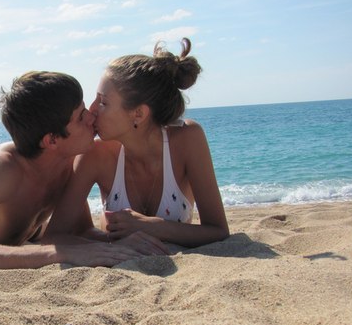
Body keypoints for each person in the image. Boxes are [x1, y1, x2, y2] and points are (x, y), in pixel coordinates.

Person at [0, 71, 167, 271]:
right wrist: (58, 254)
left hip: (17, 226)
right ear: (52, 140)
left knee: (29, 229)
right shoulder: (3, 169)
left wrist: (117, 243)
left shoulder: (68, 162)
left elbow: (82, 229)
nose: (92, 117)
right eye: (80, 115)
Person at [44, 38, 229, 248]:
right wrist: (103, 246)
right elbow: (53, 236)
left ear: (138, 114)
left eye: (103, 102)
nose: (92, 109)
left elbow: (218, 230)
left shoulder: (187, 138)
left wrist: (151, 226)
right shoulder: (95, 154)